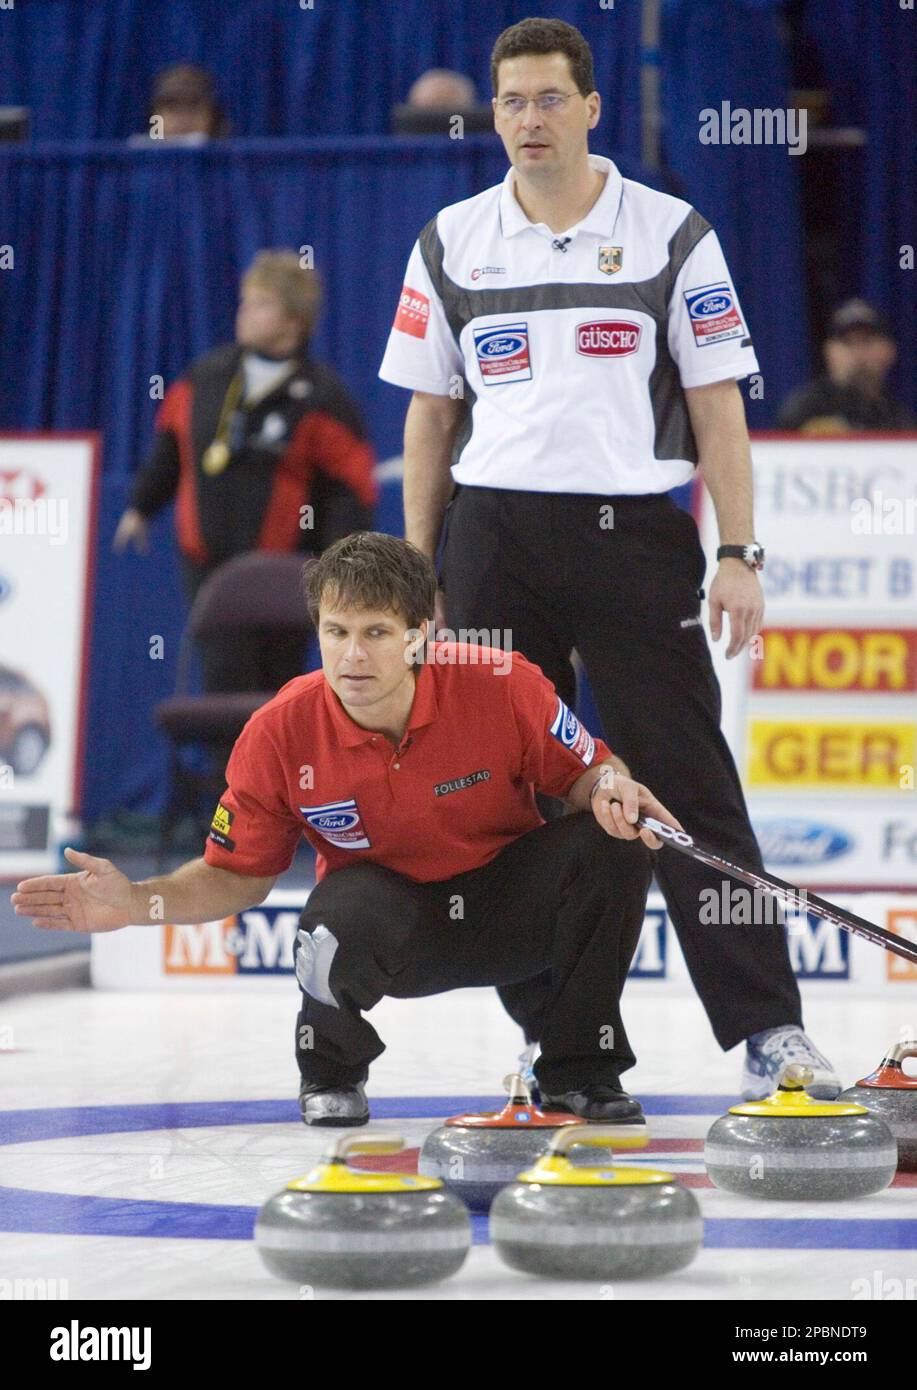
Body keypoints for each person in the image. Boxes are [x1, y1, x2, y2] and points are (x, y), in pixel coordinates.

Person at [378, 15, 841, 1100]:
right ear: (489, 114)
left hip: (632, 540)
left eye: (548, 99)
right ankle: (569, 1044)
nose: (528, 120)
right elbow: (428, 421)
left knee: (683, 782)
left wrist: (737, 551)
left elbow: (720, 410)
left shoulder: (672, 231)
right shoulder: (451, 238)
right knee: (514, 797)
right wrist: (413, 568)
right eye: (509, 102)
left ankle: (768, 1030)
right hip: (490, 538)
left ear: (591, 107)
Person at [12, 532, 681, 1127]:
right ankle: (331, 1071)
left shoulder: (502, 684)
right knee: (336, 917)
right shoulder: (279, 730)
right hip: (391, 929)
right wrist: (137, 901)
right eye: (335, 632)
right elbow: (233, 877)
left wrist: (610, 790)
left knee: (612, 840)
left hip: (509, 909)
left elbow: (588, 773)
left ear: (421, 634)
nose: (351, 656)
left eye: (376, 633)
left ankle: (578, 1072)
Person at [114, 250, 378, 694]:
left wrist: (338, 563)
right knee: (222, 681)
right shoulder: (205, 377)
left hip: (287, 575)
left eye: (261, 303)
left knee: (279, 692)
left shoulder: (324, 397)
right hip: (207, 564)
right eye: (245, 300)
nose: (244, 312)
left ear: (295, 320)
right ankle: (228, 767)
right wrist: (141, 506)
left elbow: (352, 488)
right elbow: (169, 448)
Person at [777, 298, 915, 432]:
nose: (857, 353)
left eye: (867, 341)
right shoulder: (804, 412)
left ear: (889, 350)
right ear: (828, 351)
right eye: (847, 343)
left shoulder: (899, 420)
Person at [128, 64, 229, 145]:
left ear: (212, 117)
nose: (183, 118)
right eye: (172, 108)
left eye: (193, 107)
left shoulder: (232, 163)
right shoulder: (134, 159)